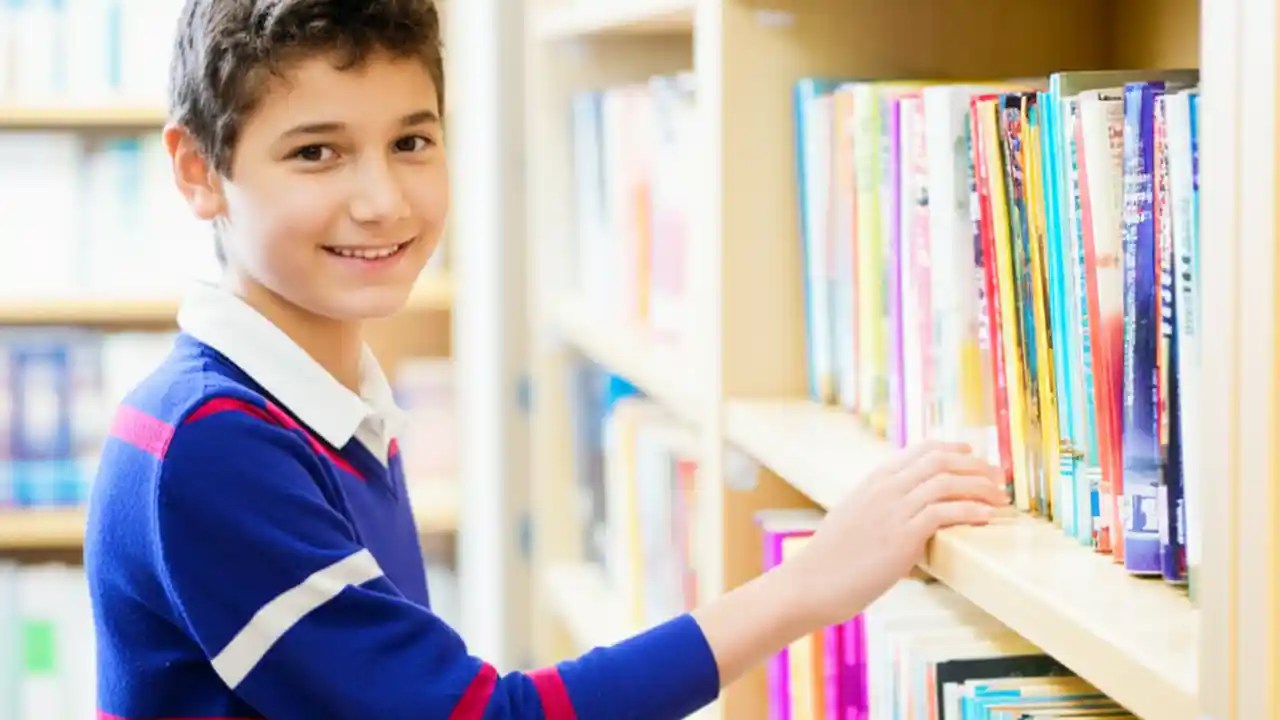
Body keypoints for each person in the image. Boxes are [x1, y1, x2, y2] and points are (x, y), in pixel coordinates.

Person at [83, 0, 1010, 717]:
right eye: (317, 152)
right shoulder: (211, 445)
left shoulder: (320, 401)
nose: (381, 201)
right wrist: (810, 584)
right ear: (199, 170)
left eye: (412, 141)